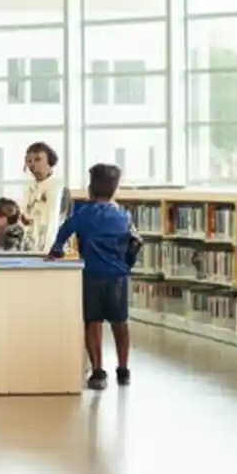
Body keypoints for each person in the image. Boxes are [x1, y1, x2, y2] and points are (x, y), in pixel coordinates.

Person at [46, 163, 142, 390]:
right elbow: (134, 241)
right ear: (115, 189)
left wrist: (56, 251)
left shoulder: (82, 214)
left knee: (93, 322)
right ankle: (123, 369)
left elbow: (63, 232)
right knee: (120, 324)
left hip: (91, 275)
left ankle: (98, 371)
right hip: (118, 277)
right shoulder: (124, 216)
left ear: (90, 188)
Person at [21, 142, 68, 253]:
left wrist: (49, 250)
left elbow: (55, 220)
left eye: (38, 159)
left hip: (50, 248)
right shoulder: (28, 187)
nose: (33, 164)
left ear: (49, 161)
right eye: (29, 161)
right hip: (30, 244)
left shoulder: (58, 187)